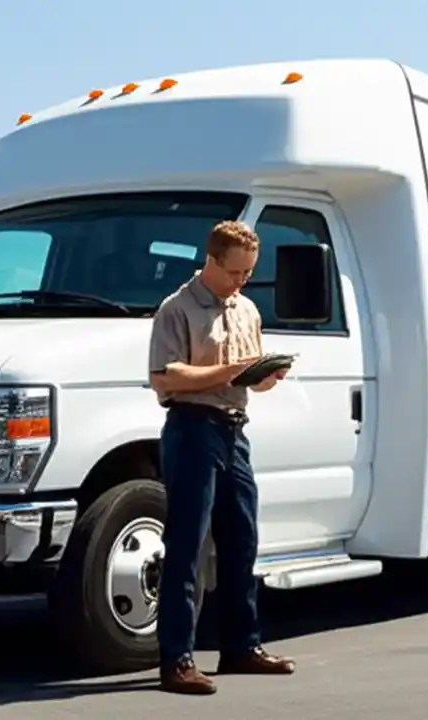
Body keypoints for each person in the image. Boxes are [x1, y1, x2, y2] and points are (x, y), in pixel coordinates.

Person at [147, 219, 295, 695]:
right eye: (235, 272)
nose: (242, 281)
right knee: (187, 545)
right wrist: (230, 371)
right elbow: (166, 377)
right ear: (211, 261)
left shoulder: (247, 309)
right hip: (192, 428)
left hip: (234, 430)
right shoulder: (177, 309)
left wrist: (265, 376)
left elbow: (248, 377)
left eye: (249, 272)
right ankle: (177, 659)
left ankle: (240, 646)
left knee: (242, 540)